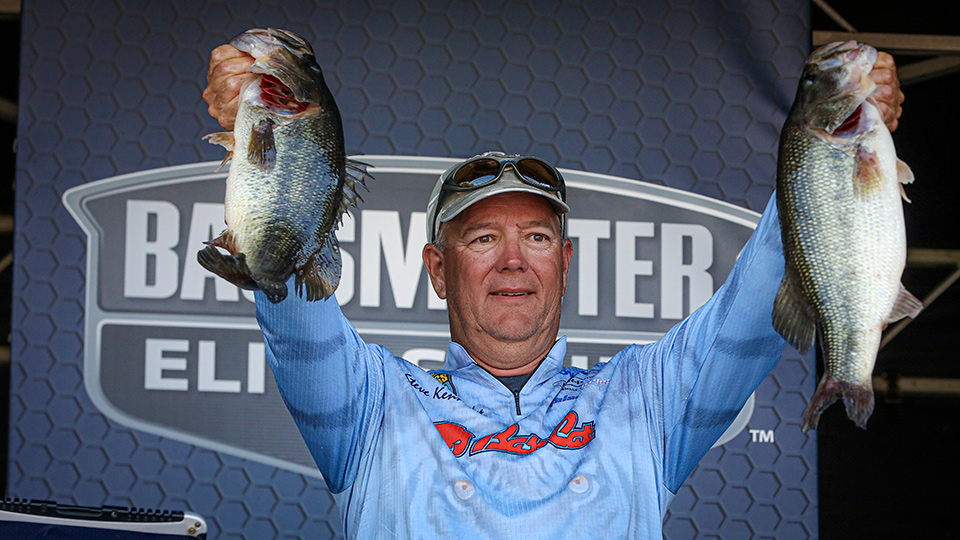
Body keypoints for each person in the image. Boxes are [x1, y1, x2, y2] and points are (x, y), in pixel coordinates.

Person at [204, 43, 904, 539]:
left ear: (565, 262)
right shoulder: (372, 404)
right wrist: (264, 133)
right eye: (481, 239)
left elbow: (757, 301)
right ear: (438, 269)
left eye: (536, 237)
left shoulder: (646, 398)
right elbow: (292, 297)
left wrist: (830, 152)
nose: (514, 260)